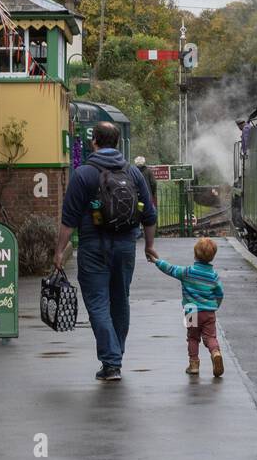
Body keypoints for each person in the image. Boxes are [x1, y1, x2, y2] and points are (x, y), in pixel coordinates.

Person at [54, 121, 157, 382]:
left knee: (98, 303)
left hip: (93, 247)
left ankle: (111, 362)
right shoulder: (133, 172)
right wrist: (149, 245)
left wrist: (59, 251)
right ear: (118, 143)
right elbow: (149, 215)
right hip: (125, 247)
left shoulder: (83, 174)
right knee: (120, 300)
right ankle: (116, 355)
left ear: (94, 142)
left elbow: (69, 220)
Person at [149, 237, 224, 377]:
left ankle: (194, 364)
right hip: (208, 312)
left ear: (195, 254)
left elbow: (170, 269)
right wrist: (215, 306)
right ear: (212, 257)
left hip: (190, 310)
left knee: (193, 337)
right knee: (210, 337)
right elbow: (220, 294)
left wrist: (156, 261)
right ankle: (215, 352)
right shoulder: (214, 277)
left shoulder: (187, 272)